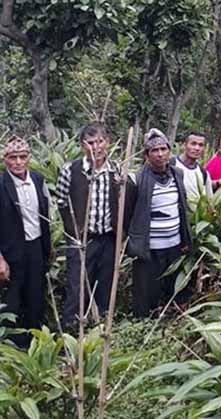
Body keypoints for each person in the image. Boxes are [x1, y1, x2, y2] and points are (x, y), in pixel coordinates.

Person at [56, 123, 124, 329]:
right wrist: (74, 232)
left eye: (100, 141)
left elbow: (123, 199)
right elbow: (61, 202)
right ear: (82, 145)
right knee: (78, 287)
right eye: (91, 142)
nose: (96, 147)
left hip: (108, 237)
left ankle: (101, 326)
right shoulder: (72, 169)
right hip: (82, 239)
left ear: (108, 142)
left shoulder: (117, 169)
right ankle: (71, 330)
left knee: (104, 283)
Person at [125, 129, 193, 318]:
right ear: (146, 155)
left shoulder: (177, 174)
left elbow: (182, 207)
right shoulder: (137, 179)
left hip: (174, 244)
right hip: (150, 247)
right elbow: (128, 213)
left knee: (171, 286)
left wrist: (185, 238)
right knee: (147, 290)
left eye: (163, 149)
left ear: (170, 151)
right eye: (154, 150)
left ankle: (171, 319)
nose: (160, 154)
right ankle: (144, 322)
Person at [0, 137, 51, 347]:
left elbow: (45, 214)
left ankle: (35, 343)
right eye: (13, 158)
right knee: (12, 301)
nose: (18, 162)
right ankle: (12, 345)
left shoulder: (38, 180)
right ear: (5, 160)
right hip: (11, 251)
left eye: (23, 157)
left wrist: (48, 248)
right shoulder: (1, 185)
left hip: (35, 247)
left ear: (29, 158)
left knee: (35, 296)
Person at [171, 132, 213, 204]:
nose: (197, 148)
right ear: (184, 145)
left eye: (201, 145)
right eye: (193, 144)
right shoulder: (170, 165)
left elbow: (210, 201)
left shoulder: (203, 173)